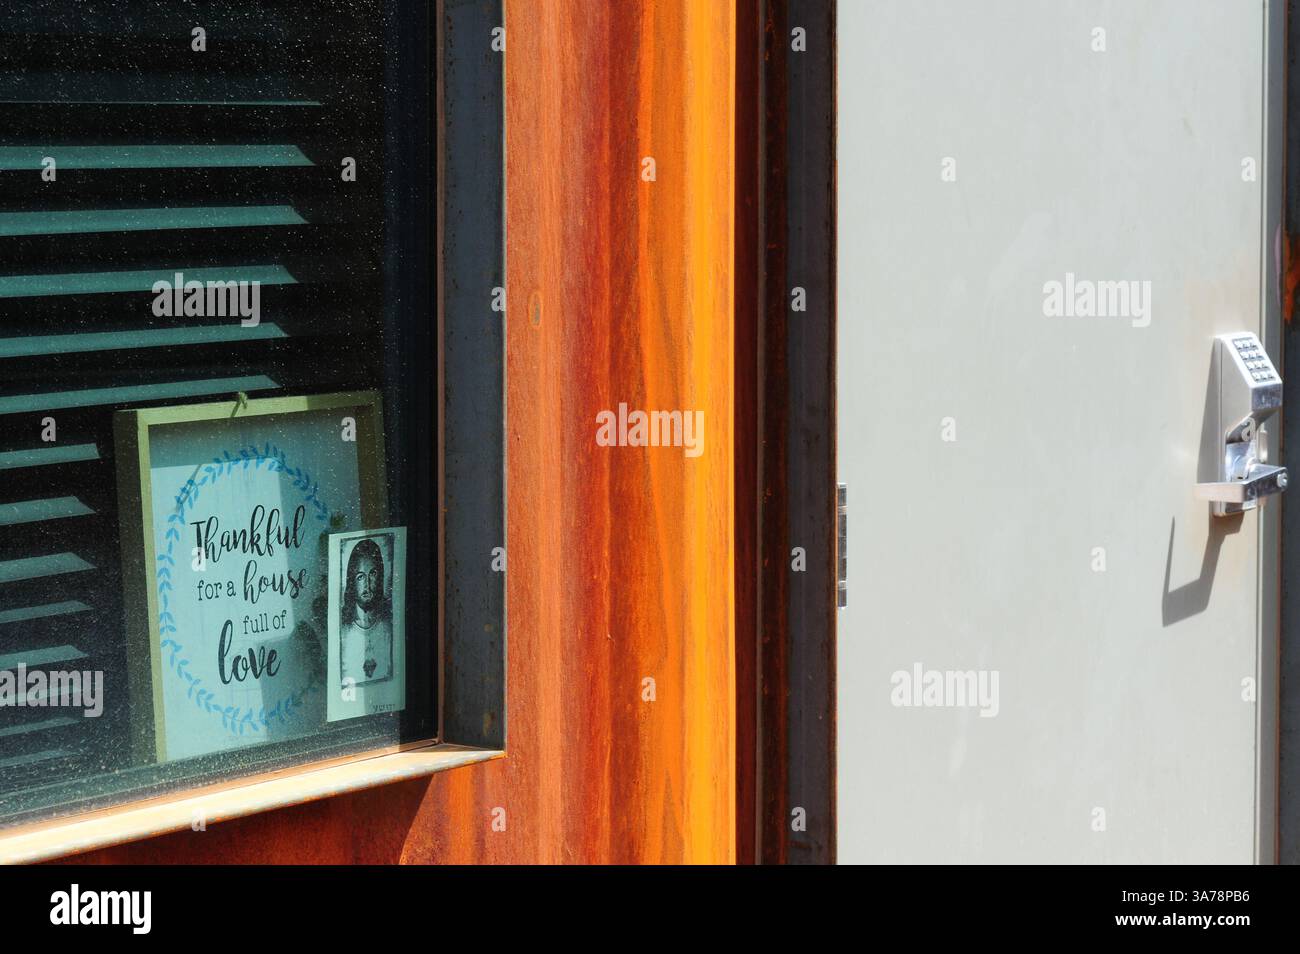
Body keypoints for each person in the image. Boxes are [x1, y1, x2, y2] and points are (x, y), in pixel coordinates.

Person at [339, 538, 393, 684]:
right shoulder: (344, 629)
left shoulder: (388, 624)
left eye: (373, 574)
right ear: (352, 581)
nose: (367, 584)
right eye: (360, 577)